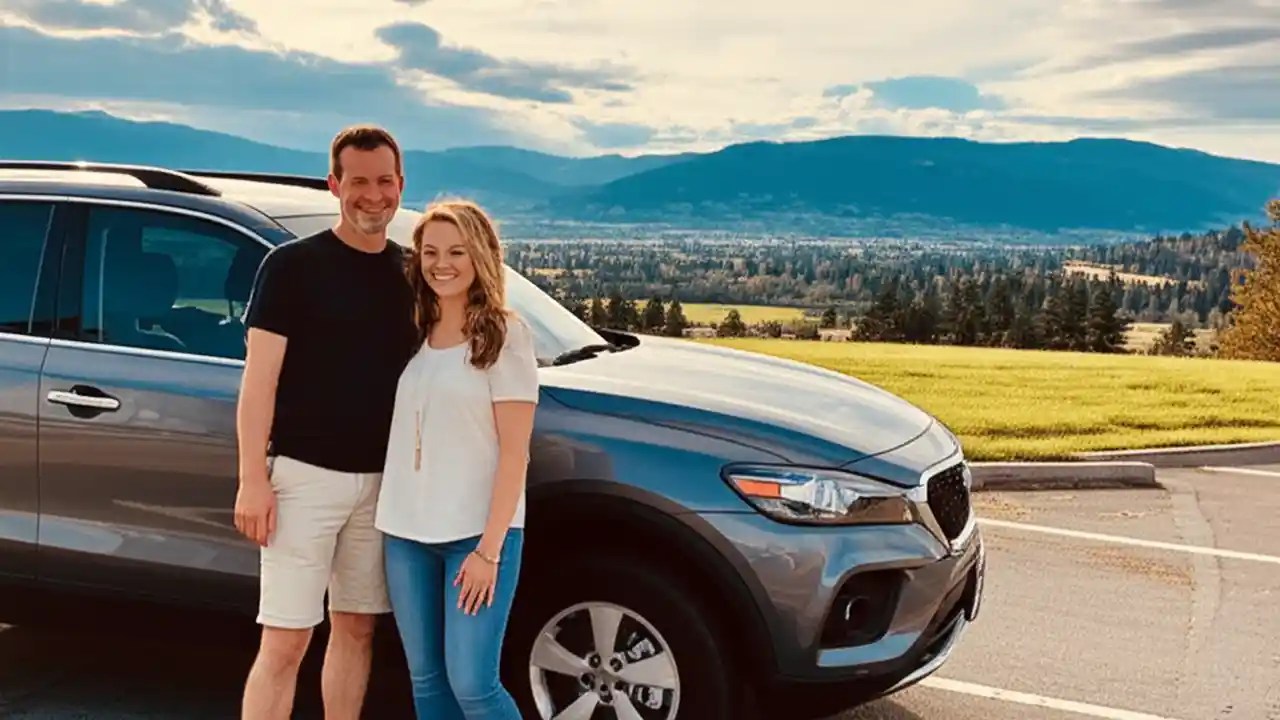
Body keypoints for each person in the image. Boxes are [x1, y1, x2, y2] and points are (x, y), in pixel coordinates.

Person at [233, 125, 417, 720]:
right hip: (302, 481)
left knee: (357, 629)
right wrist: (252, 480)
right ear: (333, 184)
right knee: (286, 640)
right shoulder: (292, 267)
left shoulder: (413, 274)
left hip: (383, 488)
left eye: (384, 181)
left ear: (400, 185)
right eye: (358, 181)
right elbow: (258, 382)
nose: (373, 194)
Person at [374, 199, 539, 720]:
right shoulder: (415, 332)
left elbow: (516, 454)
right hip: (405, 534)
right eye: (430, 251)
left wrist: (489, 552)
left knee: (473, 685)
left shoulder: (503, 336)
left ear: (481, 257)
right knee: (427, 683)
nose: (441, 263)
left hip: (477, 538)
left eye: (456, 251)